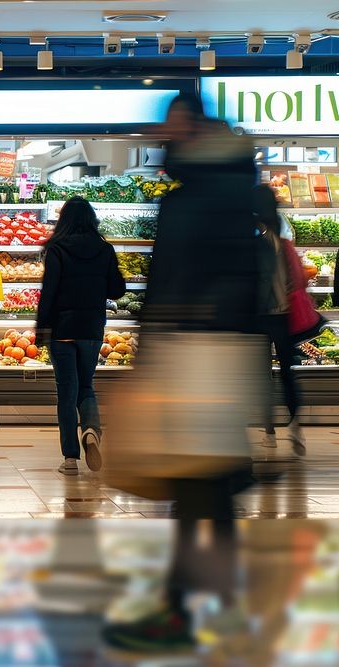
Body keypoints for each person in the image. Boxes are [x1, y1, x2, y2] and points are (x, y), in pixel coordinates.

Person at [103, 94, 262, 652]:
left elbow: (172, 282)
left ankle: (182, 614)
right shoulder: (242, 188)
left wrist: (147, 360)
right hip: (227, 352)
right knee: (208, 487)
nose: (163, 137)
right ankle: (220, 605)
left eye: (171, 127)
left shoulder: (194, 196)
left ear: (191, 127)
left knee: (194, 487)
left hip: (195, 353)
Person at [36, 197, 125, 476]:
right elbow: (117, 290)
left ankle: (70, 459)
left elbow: (48, 293)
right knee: (86, 385)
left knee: (66, 392)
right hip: (91, 329)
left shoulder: (57, 249)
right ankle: (91, 430)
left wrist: (41, 329)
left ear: (64, 221)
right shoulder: (105, 249)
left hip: (62, 330)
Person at [253, 185, 305, 455]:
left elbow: (255, 282)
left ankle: (270, 432)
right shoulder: (285, 240)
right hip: (287, 317)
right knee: (288, 373)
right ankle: (295, 426)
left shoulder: (257, 240)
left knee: (263, 377)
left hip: (263, 317)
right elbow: (298, 279)